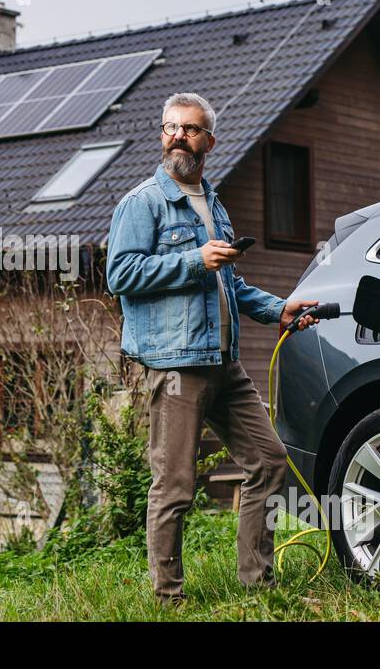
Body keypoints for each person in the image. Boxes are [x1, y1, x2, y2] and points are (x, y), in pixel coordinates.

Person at [106, 92, 319, 604]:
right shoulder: (142, 203)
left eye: (190, 129)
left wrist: (279, 309)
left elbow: (231, 284)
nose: (178, 136)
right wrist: (193, 262)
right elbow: (120, 274)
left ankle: (257, 583)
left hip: (225, 363)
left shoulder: (213, 202)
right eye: (170, 127)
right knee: (175, 486)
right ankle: (169, 599)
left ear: (209, 141)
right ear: (163, 136)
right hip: (177, 367)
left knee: (268, 462)